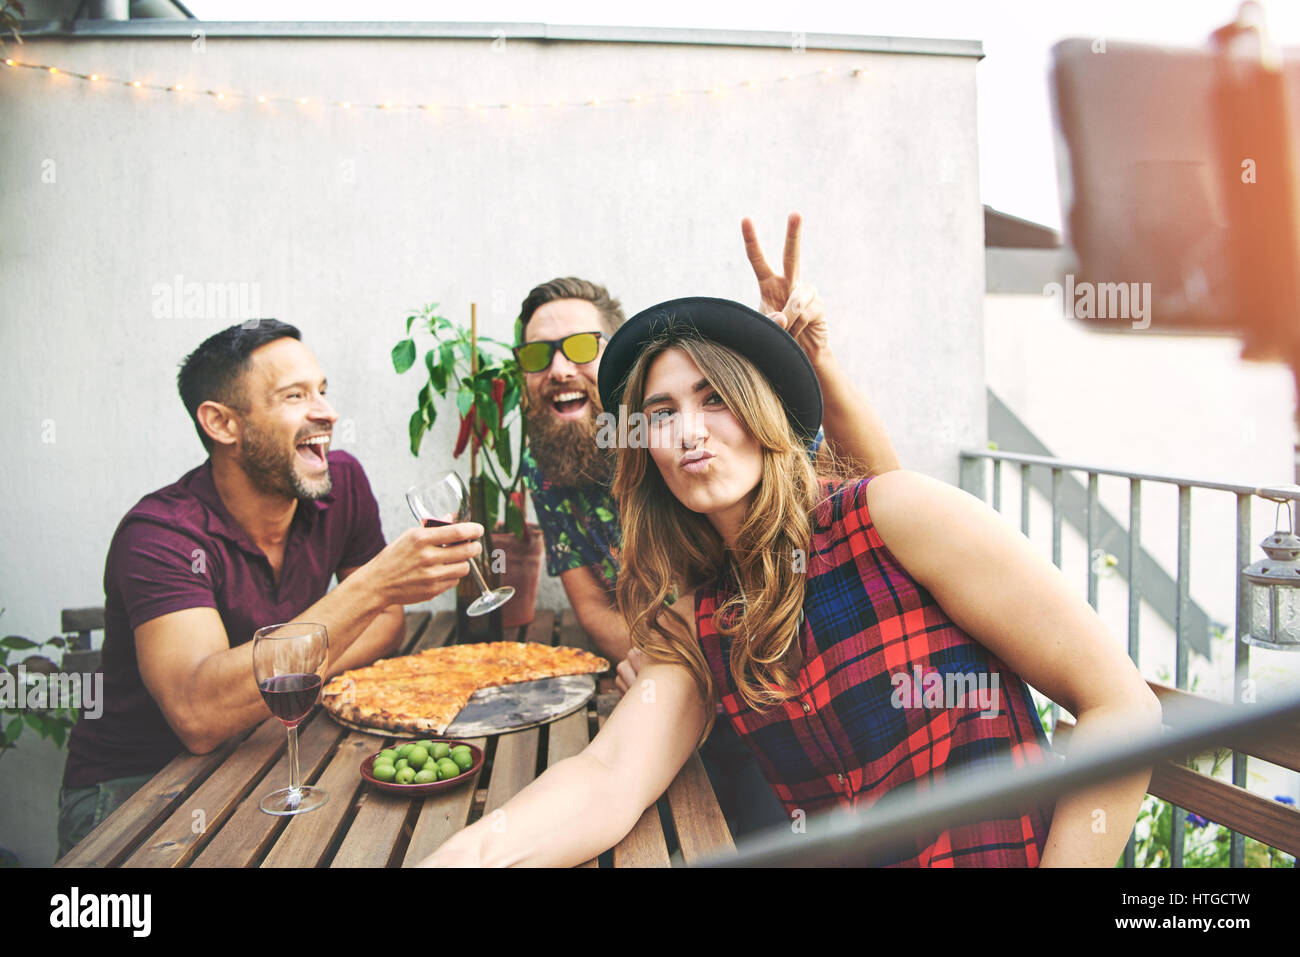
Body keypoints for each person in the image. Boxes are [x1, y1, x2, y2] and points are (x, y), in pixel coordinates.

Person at [420, 297, 1163, 867]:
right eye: (661, 412)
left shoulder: (894, 514)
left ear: (765, 409)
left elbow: (1120, 703)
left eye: (714, 398)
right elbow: (608, 776)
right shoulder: (699, 617)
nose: (689, 432)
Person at [514, 214, 901, 839]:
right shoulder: (547, 460)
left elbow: (874, 499)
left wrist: (809, 358)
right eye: (538, 354)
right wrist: (672, 665)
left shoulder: (709, 435)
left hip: (795, 674)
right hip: (689, 675)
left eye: (581, 347)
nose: (559, 367)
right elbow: (592, 605)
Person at [58, 320, 482, 856]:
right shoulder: (160, 535)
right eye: (295, 396)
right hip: (135, 789)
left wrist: (277, 675)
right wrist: (373, 587)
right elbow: (200, 716)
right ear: (222, 423)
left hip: (274, 758)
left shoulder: (340, 483)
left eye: (323, 391)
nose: (326, 412)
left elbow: (388, 624)